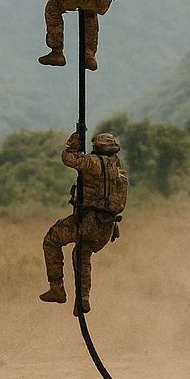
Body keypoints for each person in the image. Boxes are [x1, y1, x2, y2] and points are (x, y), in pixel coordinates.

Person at [40, 131, 128, 316]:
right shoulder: (121, 173)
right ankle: (83, 298)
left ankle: (57, 287)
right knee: (82, 253)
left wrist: (73, 146)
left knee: (51, 240)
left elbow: (69, 159)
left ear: (96, 147)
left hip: (88, 222)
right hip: (106, 228)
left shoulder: (91, 163)